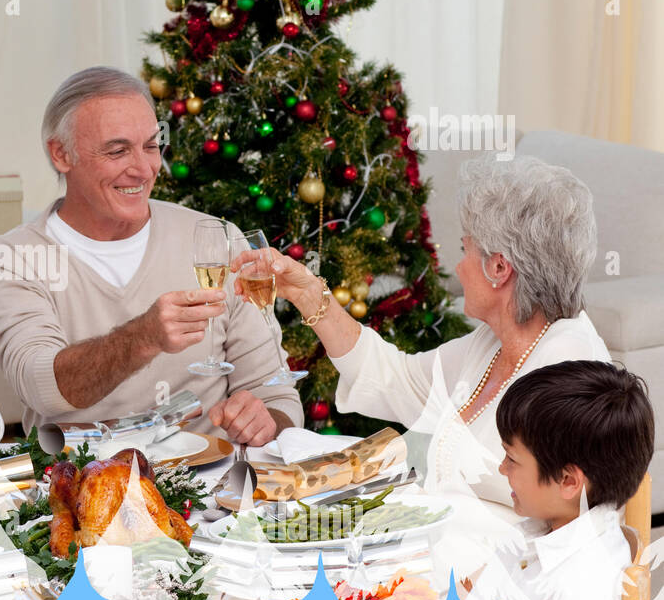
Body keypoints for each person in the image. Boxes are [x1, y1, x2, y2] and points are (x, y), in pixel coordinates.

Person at [231, 156, 611, 516]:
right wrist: (308, 294)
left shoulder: (571, 365)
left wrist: (399, 457)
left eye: (465, 249)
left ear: (499, 268)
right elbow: (393, 379)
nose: (457, 268)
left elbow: (560, 511)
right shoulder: (492, 343)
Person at [0, 66, 304, 446]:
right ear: (61, 154)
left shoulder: (218, 241)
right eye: (117, 150)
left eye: (150, 146)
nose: (143, 169)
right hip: (79, 488)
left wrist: (267, 422)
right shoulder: (12, 257)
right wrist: (144, 336)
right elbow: (42, 387)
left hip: (211, 487)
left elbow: (277, 398)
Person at [483, 360, 652, 600]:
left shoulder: (580, 591)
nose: (501, 468)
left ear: (568, 481)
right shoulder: (546, 532)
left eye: (511, 458)